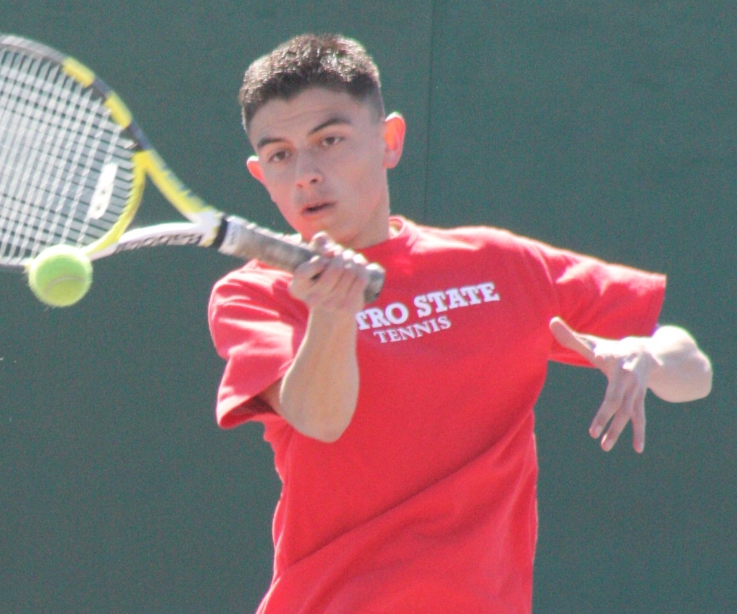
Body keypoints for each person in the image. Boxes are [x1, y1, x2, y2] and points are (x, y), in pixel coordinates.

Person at [207, 34, 713, 613]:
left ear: (389, 140)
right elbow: (320, 419)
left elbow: (693, 371)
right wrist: (332, 313)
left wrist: (644, 356)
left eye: (330, 140)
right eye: (280, 154)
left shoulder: (499, 265)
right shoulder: (254, 295)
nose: (306, 173)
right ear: (260, 174)